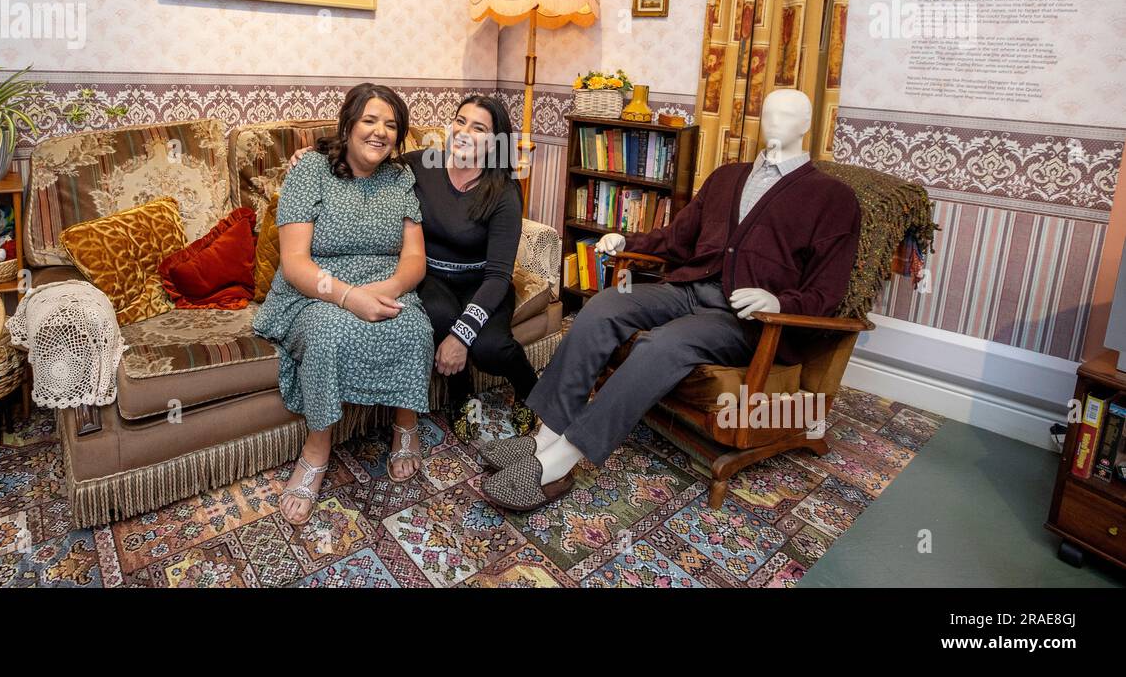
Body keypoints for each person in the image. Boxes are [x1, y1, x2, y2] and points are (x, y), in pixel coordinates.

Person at [479, 89, 861, 512]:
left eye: (787, 115)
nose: (774, 123)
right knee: (602, 307)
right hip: (684, 289)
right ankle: (545, 434)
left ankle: (564, 456)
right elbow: (677, 239)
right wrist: (629, 239)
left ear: (807, 124)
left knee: (661, 345)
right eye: (767, 113)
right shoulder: (728, 176)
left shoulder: (833, 199)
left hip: (742, 318)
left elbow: (827, 294)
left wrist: (778, 299)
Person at [290, 95, 539, 440]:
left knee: (490, 348)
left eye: (478, 128)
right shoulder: (422, 164)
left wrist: (462, 336)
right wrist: (313, 156)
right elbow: (368, 155)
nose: (464, 132)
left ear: (496, 141)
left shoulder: (503, 191)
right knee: (434, 316)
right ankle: (460, 396)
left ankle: (531, 391)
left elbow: (498, 276)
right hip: (433, 277)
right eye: (460, 121)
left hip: (481, 284)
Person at [253, 83, 432, 527]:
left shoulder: (401, 177)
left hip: (384, 283)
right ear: (348, 125)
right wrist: (351, 297)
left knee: (416, 327)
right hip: (316, 288)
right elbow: (294, 262)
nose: (380, 132)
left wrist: (386, 291)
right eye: (370, 121)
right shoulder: (310, 170)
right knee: (328, 333)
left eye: (391, 125)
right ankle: (316, 449)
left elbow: (414, 258)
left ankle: (405, 425)